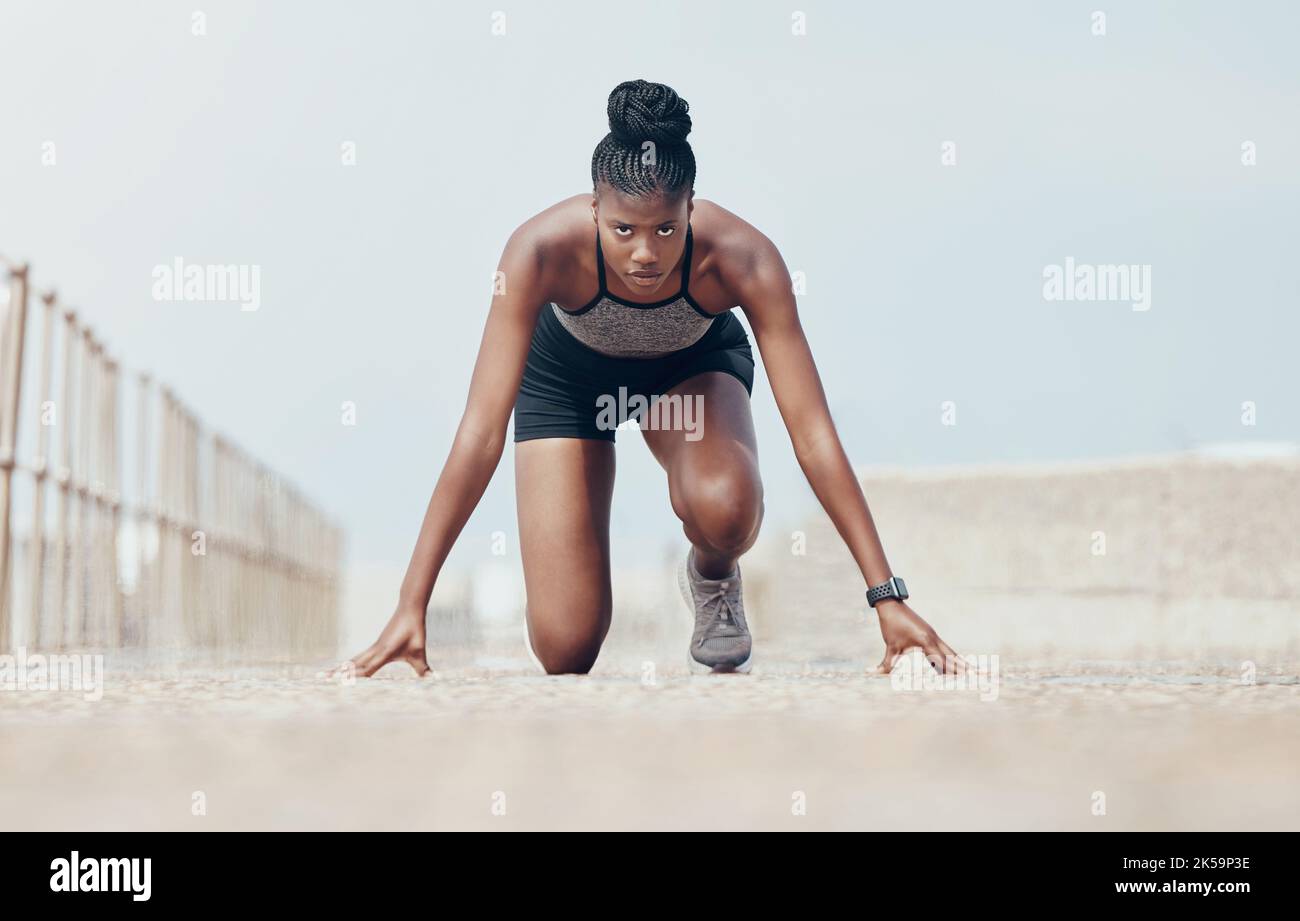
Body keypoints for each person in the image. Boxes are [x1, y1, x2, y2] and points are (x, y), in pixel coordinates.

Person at [330, 79, 962, 678]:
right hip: (568, 383)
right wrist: (411, 603)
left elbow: (814, 434)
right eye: (623, 230)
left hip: (686, 375)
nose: (645, 253)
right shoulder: (537, 252)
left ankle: (713, 574)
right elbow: (479, 431)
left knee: (726, 506)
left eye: (666, 229)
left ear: (691, 207)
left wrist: (886, 596)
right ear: (594, 207)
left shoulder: (744, 259)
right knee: (566, 649)